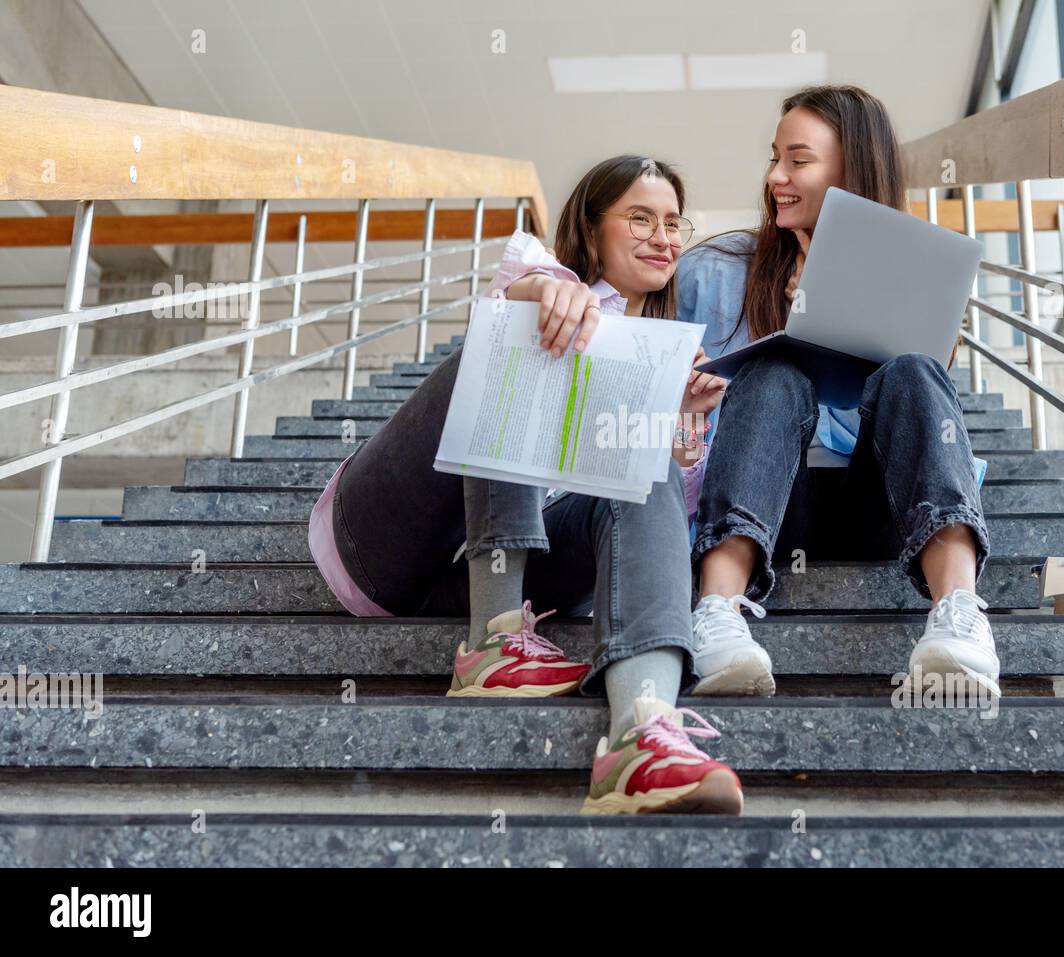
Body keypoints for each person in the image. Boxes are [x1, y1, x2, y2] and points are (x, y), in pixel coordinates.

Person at [308, 155, 747, 814]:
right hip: (385, 537)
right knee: (527, 333)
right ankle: (496, 637)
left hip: (505, 571)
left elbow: (651, 540)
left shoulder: (671, 354)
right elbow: (521, 300)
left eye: (672, 223)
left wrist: (679, 433)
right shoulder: (535, 262)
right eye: (640, 218)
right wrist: (543, 289)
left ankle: (644, 734)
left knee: (641, 454)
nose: (664, 237)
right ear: (593, 229)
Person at [677, 85, 1000, 702]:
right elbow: (617, 318)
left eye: (798, 161)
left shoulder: (912, 268)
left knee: (912, 370)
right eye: (775, 158)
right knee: (771, 373)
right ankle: (717, 612)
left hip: (880, 507)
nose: (776, 176)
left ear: (851, 169)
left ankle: (960, 613)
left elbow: (923, 413)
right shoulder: (717, 268)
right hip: (768, 500)